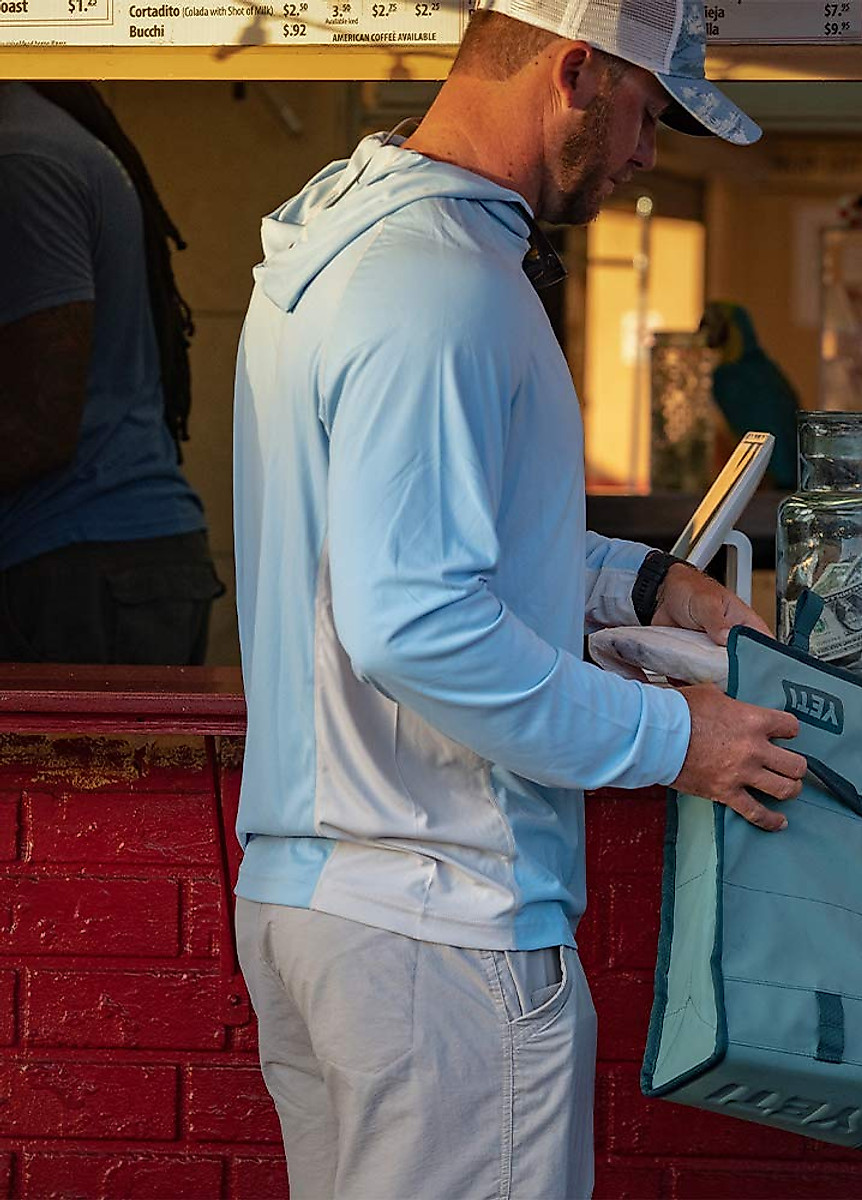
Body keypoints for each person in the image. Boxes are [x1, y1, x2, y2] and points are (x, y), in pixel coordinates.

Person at [232, 2, 808, 1195]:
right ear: (577, 72)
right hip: (438, 921)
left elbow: (437, 541)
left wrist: (652, 580)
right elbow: (419, 623)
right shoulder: (441, 285)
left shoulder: (351, 245)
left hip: (327, 898)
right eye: (649, 115)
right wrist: (674, 739)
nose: (650, 153)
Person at [0, 82, 222, 666]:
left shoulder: (20, 161)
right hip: (106, 563)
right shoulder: (41, 137)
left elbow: (40, 419)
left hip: (78, 566)